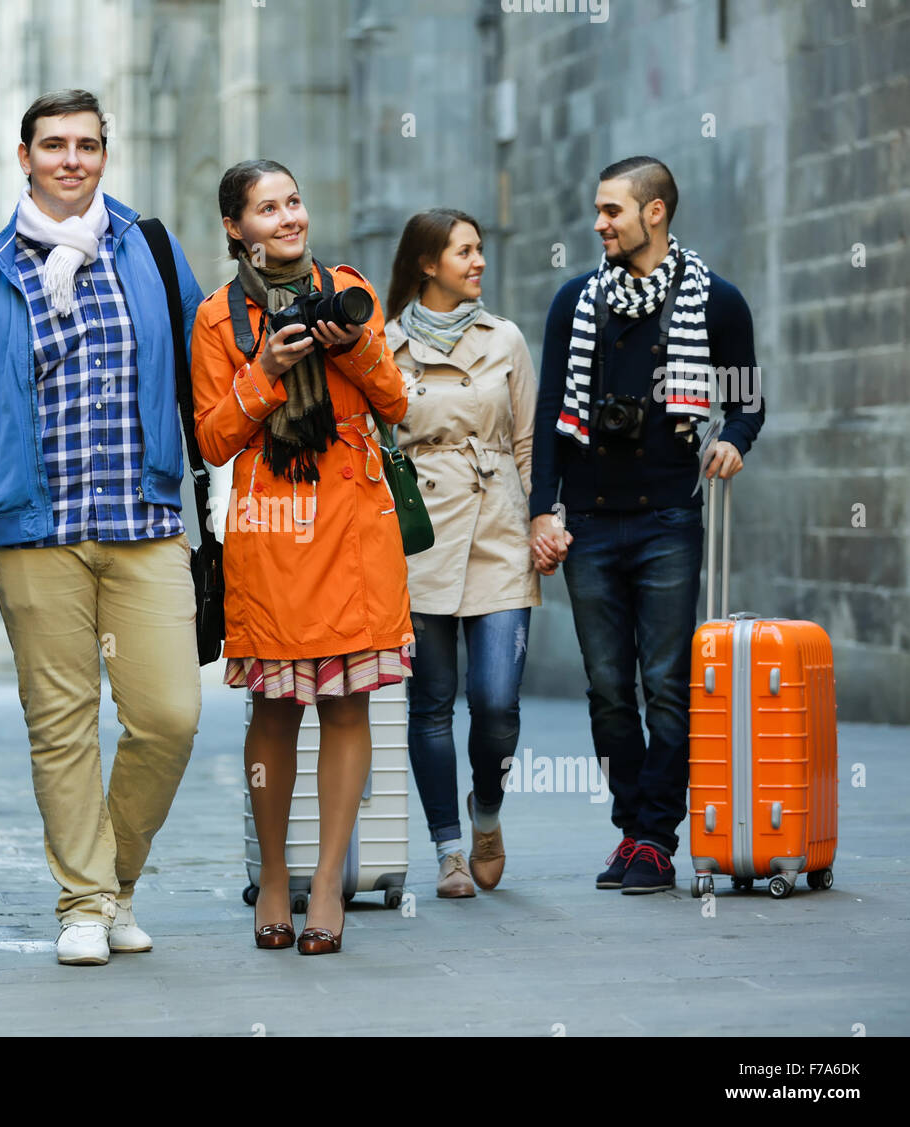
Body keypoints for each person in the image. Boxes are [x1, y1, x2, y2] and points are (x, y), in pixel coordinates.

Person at [0, 89, 205, 966]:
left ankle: (114, 880)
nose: (71, 159)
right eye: (54, 145)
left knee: (170, 716)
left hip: (145, 518)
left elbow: (203, 362)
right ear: (26, 155)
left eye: (87, 145)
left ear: (105, 153)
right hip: (33, 533)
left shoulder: (147, 251)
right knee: (62, 723)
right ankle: (84, 903)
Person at [191, 159, 411, 955]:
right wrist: (267, 372)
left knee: (347, 705)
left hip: (353, 522)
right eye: (266, 207)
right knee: (276, 707)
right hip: (271, 523)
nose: (288, 217)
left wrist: (351, 348)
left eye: (294, 201)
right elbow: (214, 438)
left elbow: (395, 402)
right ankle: (275, 876)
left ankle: (327, 881)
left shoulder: (349, 287)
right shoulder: (218, 317)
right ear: (235, 227)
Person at [529, 156, 765, 894]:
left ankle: (656, 836)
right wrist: (543, 506)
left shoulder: (716, 302)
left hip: (669, 518)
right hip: (591, 521)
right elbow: (547, 418)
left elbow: (748, 400)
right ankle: (634, 828)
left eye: (612, 211)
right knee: (607, 688)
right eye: (599, 211)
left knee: (666, 682)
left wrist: (734, 438)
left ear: (654, 213)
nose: (599, 224)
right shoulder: (576, 301)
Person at [384, 209, 539, 899]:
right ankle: (449, 850)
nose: (479, 261)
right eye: (465, 251)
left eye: (480, 249)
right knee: (433, 703)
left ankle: (487, 810)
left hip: (500, 531)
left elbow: (530, 442)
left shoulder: (504, 337)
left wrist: (542, 519)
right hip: (421, 539)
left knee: (497, 702)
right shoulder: (383, 346)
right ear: (427, 263)